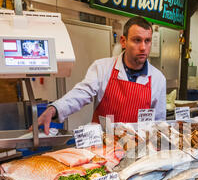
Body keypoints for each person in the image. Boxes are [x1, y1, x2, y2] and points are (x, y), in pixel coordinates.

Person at [35, 16, 166, 134]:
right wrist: (55, 108)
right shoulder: (102, 68)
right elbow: (81, 93)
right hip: (103, 148)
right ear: (123, 41)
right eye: (137, 40)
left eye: (147, 41)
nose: (143, 47)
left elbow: (159, 123)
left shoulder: (158, 78)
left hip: (138, 150)